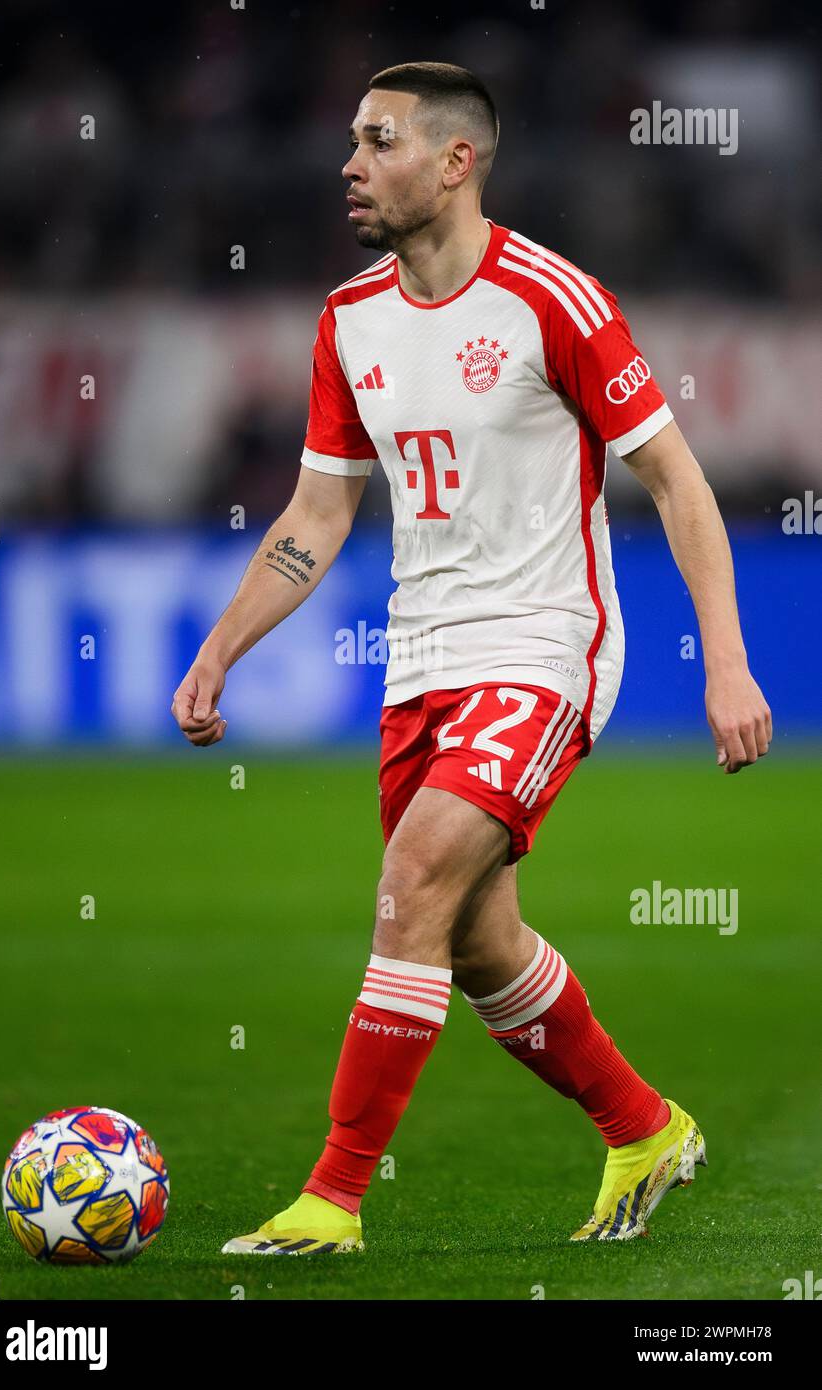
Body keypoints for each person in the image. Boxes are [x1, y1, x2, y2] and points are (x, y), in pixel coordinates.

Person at [172, 62, 771, 1253]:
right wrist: (221, 648)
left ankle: (332, 1199)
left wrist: (727, 663)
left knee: (409, 888)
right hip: (420, 661)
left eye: (377, 139)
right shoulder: (349, 321)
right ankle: (643, 1128)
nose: (348, 161)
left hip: (544, 644)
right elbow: (314, 516)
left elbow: (675, 478)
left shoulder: (556, 299)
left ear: (455, 162)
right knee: (474, 935)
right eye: (349, 137)